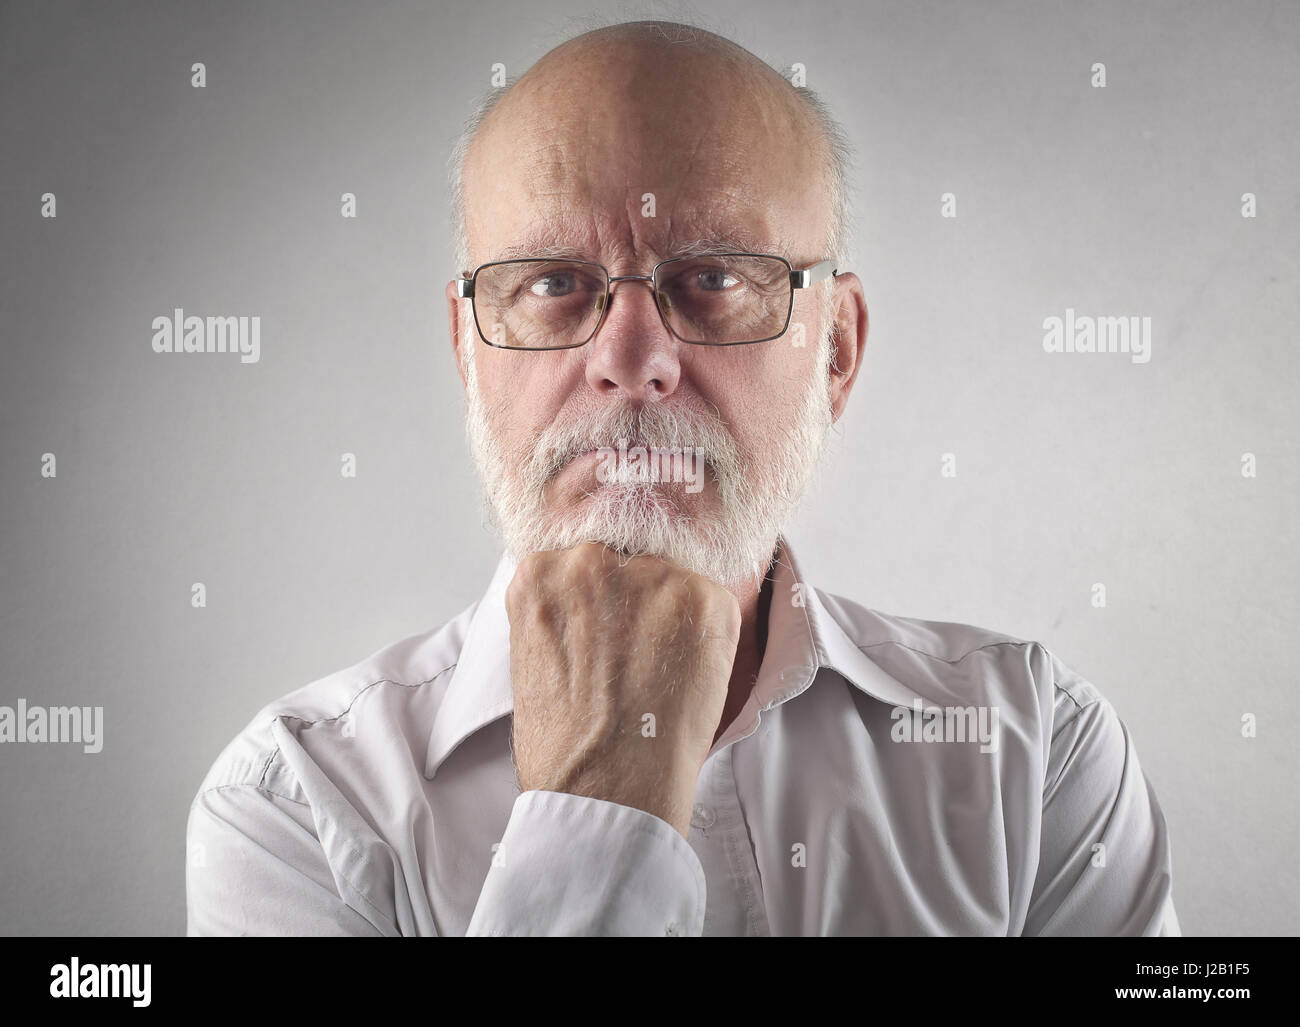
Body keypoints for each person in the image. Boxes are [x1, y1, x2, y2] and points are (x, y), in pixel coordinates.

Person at [186, 19, 1178, 936]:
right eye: (550, 284)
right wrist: (601, 803)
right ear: (468, 351)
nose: (630, 357)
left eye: (712, 277)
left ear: (834, 348)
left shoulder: (1037, 751)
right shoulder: (297, 803)